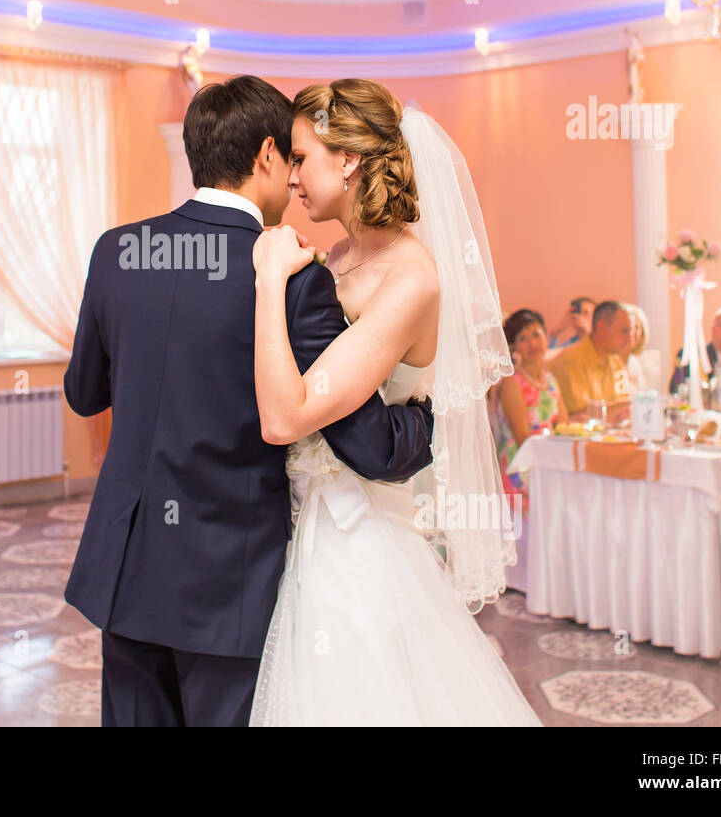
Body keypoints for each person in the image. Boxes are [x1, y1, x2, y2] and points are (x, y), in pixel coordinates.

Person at [62, 75, 435, 728]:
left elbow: (83, 393)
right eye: (289, 158)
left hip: (125, 574)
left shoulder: (118, 251)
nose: (293, 179)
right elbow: (360, 440)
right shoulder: (293, 276)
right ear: (266, 154)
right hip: (229, 586)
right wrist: (429, 419)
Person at [249, 78, 539, 726]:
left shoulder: (410, 278)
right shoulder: (339, 257)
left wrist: (270, 282)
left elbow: (290, 415)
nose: (292, 178)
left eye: (300, 158)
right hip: (312, 521)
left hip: (363, 536)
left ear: (347, 160)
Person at [494, 309, 567, 510]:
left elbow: (564, 426)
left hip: (549, 460)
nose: (533, 343)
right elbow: (522, 438)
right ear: (514, 346)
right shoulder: (512, 383)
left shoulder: (549, 380)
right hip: (522, 464)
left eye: (536, 334)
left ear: (546, 336)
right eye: (523, 338)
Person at [549, 300, 634, 421]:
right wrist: (623, 407)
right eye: (624, 331)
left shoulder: (616, 361)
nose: (629, 338)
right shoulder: (571, 360)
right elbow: (581, 416)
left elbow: (625, 405)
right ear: (602, 328)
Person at [622, 303, 657, 392]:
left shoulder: (634, 363)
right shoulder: (610, 362)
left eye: (637, 327)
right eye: (628, 327)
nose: (631, 332)